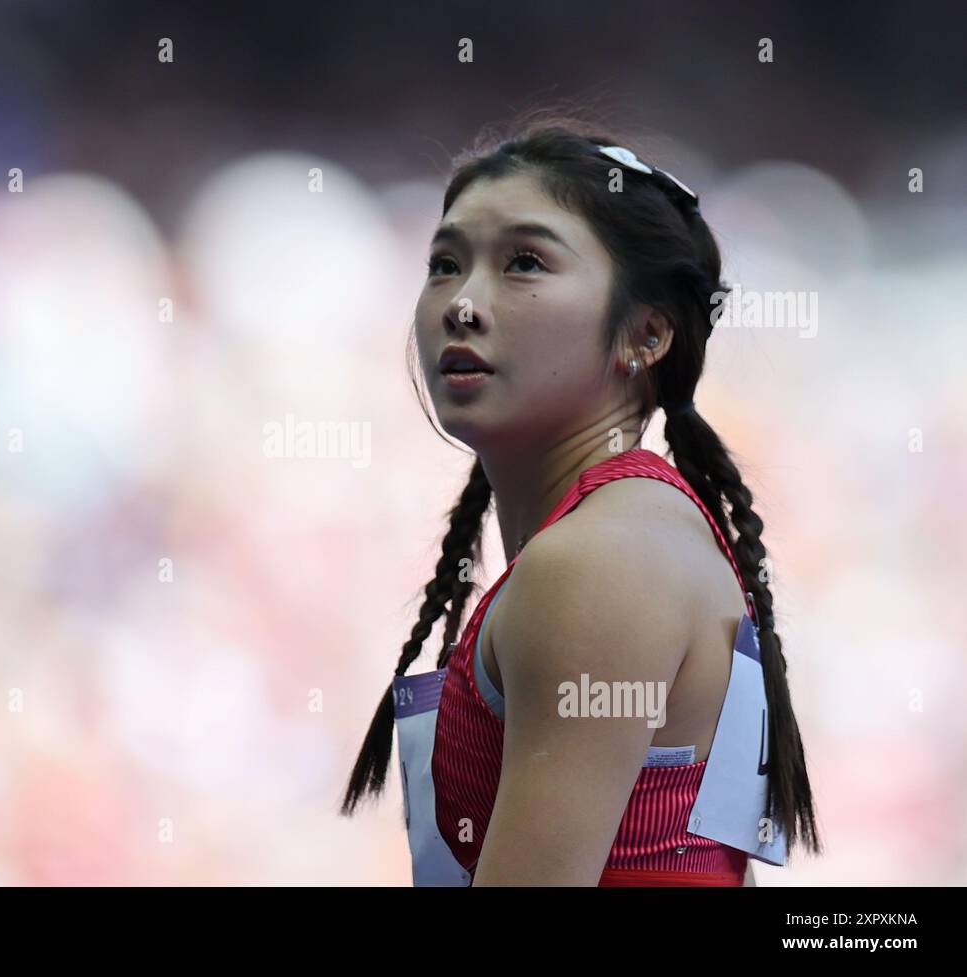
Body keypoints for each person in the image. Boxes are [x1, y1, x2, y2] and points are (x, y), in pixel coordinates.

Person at [341, 114, 821, 885]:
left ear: (646, 334)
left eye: (524, 262)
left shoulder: (600, 559)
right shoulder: (629, 530)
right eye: (443, 263)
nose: (462, 302)